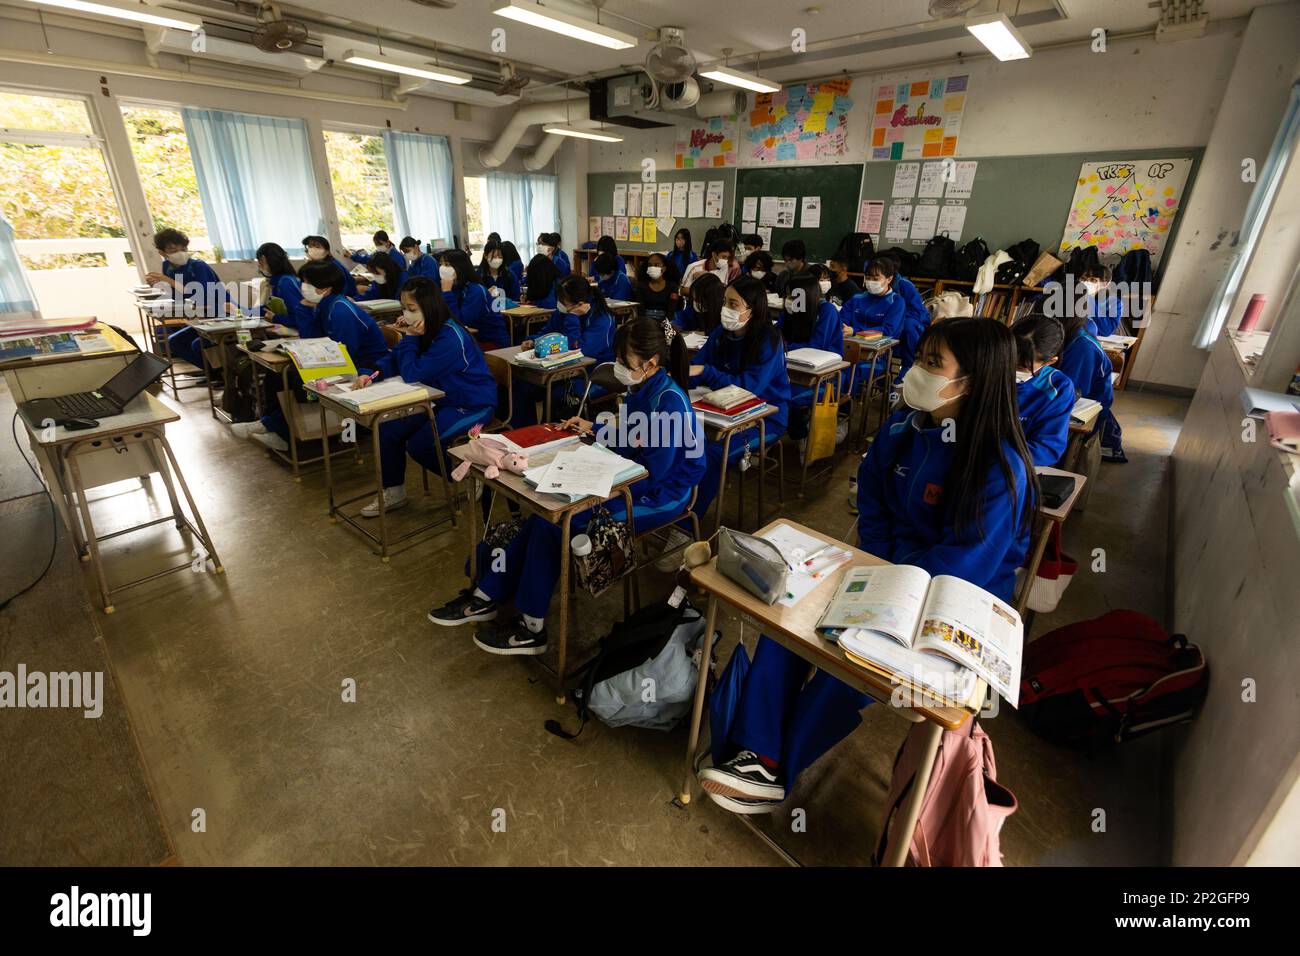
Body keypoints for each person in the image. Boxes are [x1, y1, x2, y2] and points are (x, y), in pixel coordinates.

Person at [699, 318, 1037, 814]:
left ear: (973, 381)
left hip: (953, 599)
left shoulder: (999, 466)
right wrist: (878, 563)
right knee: (789, 617)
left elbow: (966, 562)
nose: (917, 371)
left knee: (847, 658)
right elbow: (872, 500)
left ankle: (779, 768)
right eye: (920, 357)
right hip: (884, 570)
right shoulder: (905, 428)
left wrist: (894, 580)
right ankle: (759, 749)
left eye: (932, 364)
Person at [429, 317, 705, 656]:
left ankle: (531, 628)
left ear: (650, 364)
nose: (617, 366)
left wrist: (593, 479)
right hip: (632, 477)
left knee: (559, 520)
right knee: (541, 514)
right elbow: (633, 437)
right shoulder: (642, 388)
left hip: (663, 495)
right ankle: (486, 595)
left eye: (622, 360)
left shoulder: (670, 403)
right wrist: (595, 431)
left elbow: (652, 473)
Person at [351, 276, 498, 517]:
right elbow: (396, 358)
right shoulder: (425, 329)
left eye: (411, 309)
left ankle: (470, 475)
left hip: (473, 404)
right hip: (439, 400)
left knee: (421, 445)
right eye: (404, 308)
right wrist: (370, 374)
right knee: (388, 428)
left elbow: (412, 373)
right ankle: (394, 491)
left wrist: (409, 337)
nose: (406, 315)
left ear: (429, 307)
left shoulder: (450, 336)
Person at [230, 259, 389, 452]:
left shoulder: (340, 310)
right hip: (341, 359)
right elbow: (312, 338)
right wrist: (304, 309)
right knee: (275, 376)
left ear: (326, 288)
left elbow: (345, 354)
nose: (303, 287)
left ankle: (275, 428)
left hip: (365, 366)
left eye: (308, 283)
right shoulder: (325, 305)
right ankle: (274, 429)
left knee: (295, 381)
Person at [688, 275, 791, 524]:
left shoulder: (768, 340)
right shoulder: (720, 334)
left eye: (734, 304)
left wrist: (705, 373)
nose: (726, 309)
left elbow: (749, 388)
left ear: (752, 310)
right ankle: (672, 506)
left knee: (711, 452)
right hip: (722, 412)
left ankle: (686, 525)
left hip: (765, 418)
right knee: (676, 437)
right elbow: (695, 367)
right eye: (725, 302)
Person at [512, 274, 616, 426]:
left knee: (557, 394)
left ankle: (550, 435)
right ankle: (524, 434)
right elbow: (548, 331)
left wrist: (573, 317)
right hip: (556, 368)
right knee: (521, 385)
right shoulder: (563, 310)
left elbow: (578, 349)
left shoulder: (602, 319)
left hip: (589, 373)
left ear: (580, 303)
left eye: (563, 302)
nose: (559, 305)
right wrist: (534, 341)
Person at [144, 228, 236, 369]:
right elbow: (179, 297)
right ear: (162, 253)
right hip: (202, 316)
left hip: (222, 312)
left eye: (183, 248)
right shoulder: (167, 267)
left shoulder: (198, 267)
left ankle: (221, 374)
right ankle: (212, 373)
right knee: (174, 342)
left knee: (197, 344)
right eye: (173, 250)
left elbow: (200, 295)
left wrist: (169, 281)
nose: (180, 253)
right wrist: (162, 286)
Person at [778, 271, 845, 442]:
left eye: (791, 296)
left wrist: (784, 348)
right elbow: (776, 335)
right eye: (787, 295)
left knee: (786, 398)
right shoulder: (791, 311)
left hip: (825, 377)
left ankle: (801, 435)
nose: (787, 299)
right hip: (792, 372)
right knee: (767, 392)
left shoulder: (826, 311)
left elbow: (816, 348)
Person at [1057, 306, 1125, 462]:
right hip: (1072, 397)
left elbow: (1071, 394)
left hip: (1083, 414)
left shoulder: (1082, 347)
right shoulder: (1071, 331)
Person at [1013, 314, 1076, 467]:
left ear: (1050, 361)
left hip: (1014, 465)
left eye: (1022, 366)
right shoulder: (985, 367)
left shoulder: (1059, 388)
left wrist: (995, 455)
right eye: (1009, 355)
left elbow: (1047, 449)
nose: (1010, 366)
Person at [840, 256, 906, 390]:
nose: (870, 282)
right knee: (835, 365)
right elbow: (841, 319)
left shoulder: (896, 302)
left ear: (889, 279)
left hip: (877, 357)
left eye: (876, 279)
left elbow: (887, 331)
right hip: (847, 348)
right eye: (868, 277)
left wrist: (855, 331)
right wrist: (843, 327)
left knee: (851, 368)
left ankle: (845, 405)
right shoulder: (857, 298)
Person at [440, 249, 505, 351]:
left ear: (459, 267)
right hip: (469, 339)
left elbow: (459, 322)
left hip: (490, 343)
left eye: (447, 264)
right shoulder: (453, 287)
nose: (442, 268)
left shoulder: (476, 291)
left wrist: (447, 292)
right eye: (441, 264)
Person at [253, 242, 312, 331]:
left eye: (259, 262)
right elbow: (266, 309)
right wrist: (242, 311)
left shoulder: (285, 283)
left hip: (299, 330)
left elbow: (299, 318)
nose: (259, 266)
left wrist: (275, 318)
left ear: (263, 259)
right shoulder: (275, 281)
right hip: (286, 326)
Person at [631, 253, 681, 323]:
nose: (652, 267)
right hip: (645, 322)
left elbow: (671, 312)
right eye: (650, 265)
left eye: (656, 265)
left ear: (664, 268)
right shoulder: (641, 286)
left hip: (666, 322)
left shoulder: (672, 287)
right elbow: (640, 310)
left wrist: (661, 324)